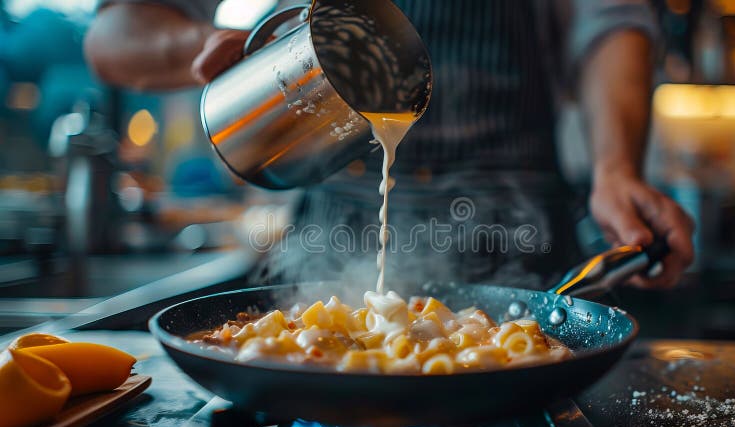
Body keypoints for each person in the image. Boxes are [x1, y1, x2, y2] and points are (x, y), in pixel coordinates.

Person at [85, 0, 695, 292]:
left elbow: (610, 23)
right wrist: (206, 41)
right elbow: (111, 36)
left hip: (520, 244)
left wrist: (616, 170)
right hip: (330, 249)